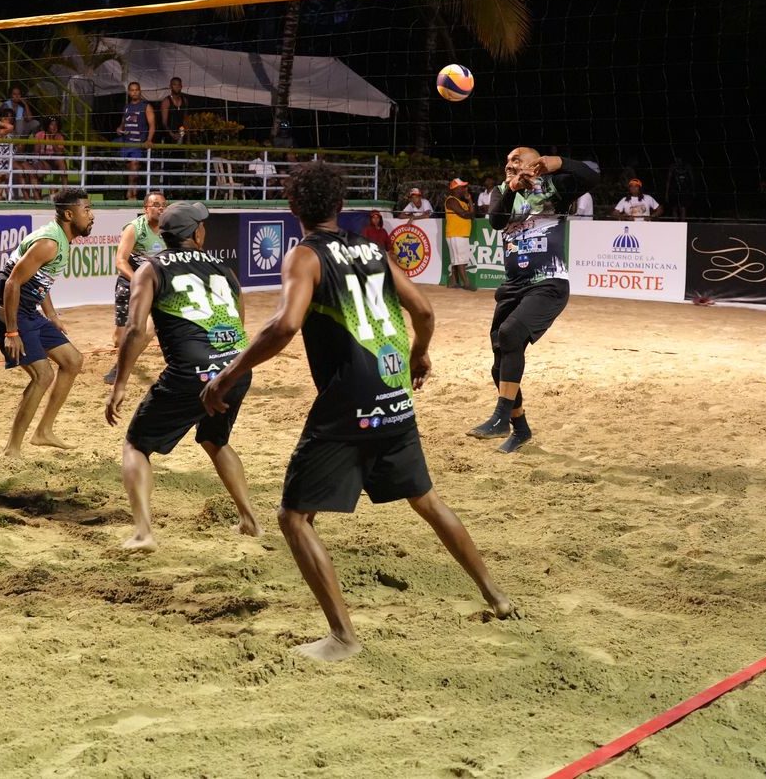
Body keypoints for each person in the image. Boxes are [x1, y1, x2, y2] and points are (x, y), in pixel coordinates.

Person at [202, 162, 514, 660]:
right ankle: (496, 595)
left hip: (348, 401)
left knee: (293, 516)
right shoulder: (373, 249)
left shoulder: (304, 256)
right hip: (394, 392)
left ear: (292, 210)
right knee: (427, 501)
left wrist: (228, 373)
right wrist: (419, 352)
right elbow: (425, 311)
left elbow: (284, 327)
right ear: (341, 206)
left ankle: (344, 638)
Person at [106, 201, 262, 551]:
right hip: (236, 367)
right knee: (215, 440)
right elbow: (239, 318)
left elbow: (134, 330)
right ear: (196, 233)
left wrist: (120, 384)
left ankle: (144, 532)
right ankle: (250, 519)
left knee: (135, 444)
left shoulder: (151, 268)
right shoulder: (223, 266)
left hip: (192, 372)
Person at [468, 148, 599, 453]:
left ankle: (500, 417)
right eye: (507, 161)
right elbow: (497, 222)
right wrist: (512, 187)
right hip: (513, 286)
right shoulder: (502, 191)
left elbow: (592, 176)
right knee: (499, 366)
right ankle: (521, 429)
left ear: (533, 165)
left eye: (516, 160)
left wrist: (560, 162)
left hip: (548, 281)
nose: (508, 164)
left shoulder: (554, 188)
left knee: (511, 333)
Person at [0, 188, 93, 458]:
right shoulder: (49, 243)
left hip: (27, 309)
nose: (92, 215)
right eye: (86, 210)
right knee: (43, 375)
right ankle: (12, 449)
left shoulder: (60, 239)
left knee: (73, 361)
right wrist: (11, 331)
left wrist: (52, 315)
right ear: (69, 214)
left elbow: (39, 282)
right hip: (5, 310)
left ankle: (44, 432)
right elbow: (12, 283)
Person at [104, 192, 167, 384]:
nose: (160, 208)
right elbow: (121, 261)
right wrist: (137, 281)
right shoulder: (134, 229)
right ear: (145, 208)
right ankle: (123, 352)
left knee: (148, 330)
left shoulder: (169, 230)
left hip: (156, 286)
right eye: (156, 204)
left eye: (164, 205)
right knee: (120, 338)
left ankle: (120, 367)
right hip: (130, 284)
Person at [116, 81, 155, 200]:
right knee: (131, 169)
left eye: (136, 90)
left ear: (140, 91)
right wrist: (119, 129)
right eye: (132, 90)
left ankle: (132, 194)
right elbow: (123, 123)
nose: (134, 92)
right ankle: (132, 191)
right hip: (126, 142)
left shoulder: (146, 106)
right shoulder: (126, 107)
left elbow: (152, 124)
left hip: (138, 142)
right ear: (129, 92)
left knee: (134, 166)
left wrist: (149, 139)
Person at [444, 178, 474, 290]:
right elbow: (464, 214)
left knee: (457, 260)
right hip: (455, 233)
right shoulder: (451, 200)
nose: (465, 189)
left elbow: (471, 214)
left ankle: (453, 282)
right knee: (460, 260)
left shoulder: (462, 201)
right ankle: (466, 283)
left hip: (460, 233)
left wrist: (469, 199)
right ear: (456, 189)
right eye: (462, 187)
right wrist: (469, 212)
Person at [158, 76, 188, 143]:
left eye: (178, 85)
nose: (177, 87)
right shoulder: (166, 101)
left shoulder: (184, 100)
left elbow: (185, 120)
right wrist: (172, 134)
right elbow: (164, 122)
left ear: (181, 86)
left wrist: (183, 134)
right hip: (169, 136)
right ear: (170, 86)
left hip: (181, 134)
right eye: (174, 84)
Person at [665, 156, 696, 220]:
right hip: (674, 190)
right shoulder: (672, 167)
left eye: (679, 158)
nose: (678, 160)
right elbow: (668, 180)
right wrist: (666, 193)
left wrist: (693, 190)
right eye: (677, 158)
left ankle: (682, 224)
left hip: (684, 190)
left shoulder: (687, 166)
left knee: (683, 208)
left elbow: (692, 179)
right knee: (674, 208)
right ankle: (676, 224)